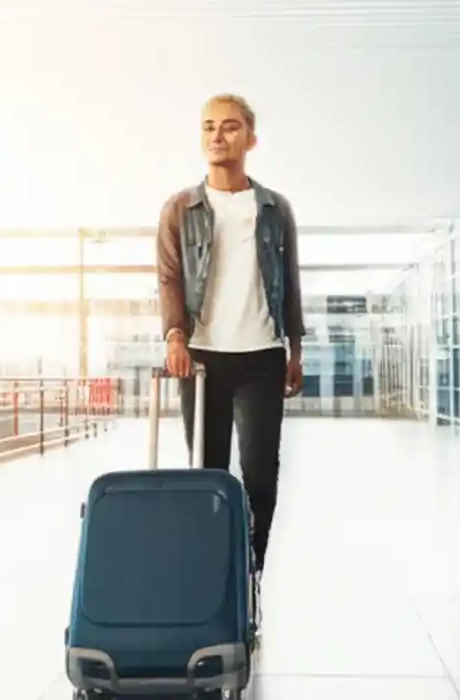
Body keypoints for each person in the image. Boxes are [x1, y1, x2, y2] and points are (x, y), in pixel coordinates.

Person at [154, 93, 305, 585]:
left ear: (251, 139)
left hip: (263, 355)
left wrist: (295, 349)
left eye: (230, 126)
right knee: (207, 471)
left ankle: (251, 571)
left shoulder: (274, 208)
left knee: (260, 475)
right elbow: (169, 279)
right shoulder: (180, 208)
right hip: (201, 360)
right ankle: (211, 571)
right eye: (209, 127)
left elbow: (290, 279)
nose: (217, 136)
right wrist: (175, 337)